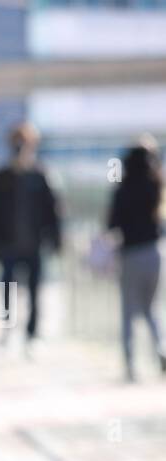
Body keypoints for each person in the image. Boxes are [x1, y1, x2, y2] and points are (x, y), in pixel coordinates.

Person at [0, 122, 63, 353]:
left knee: (35, 290)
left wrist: (55, 239)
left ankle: (32, 333)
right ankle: (7, 328)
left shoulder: (41, 175)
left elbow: (53, 211)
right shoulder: (1, 177)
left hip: (34, 244)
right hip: (8, 244)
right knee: (6, 288)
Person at [105, 135, 165, 382]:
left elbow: (112, 223)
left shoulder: (122, 188)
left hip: (130, 253)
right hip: (154, 253)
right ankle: (160, 350)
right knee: (151, 309)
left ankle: (130, 364)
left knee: (128, 311)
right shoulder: (157, 186)